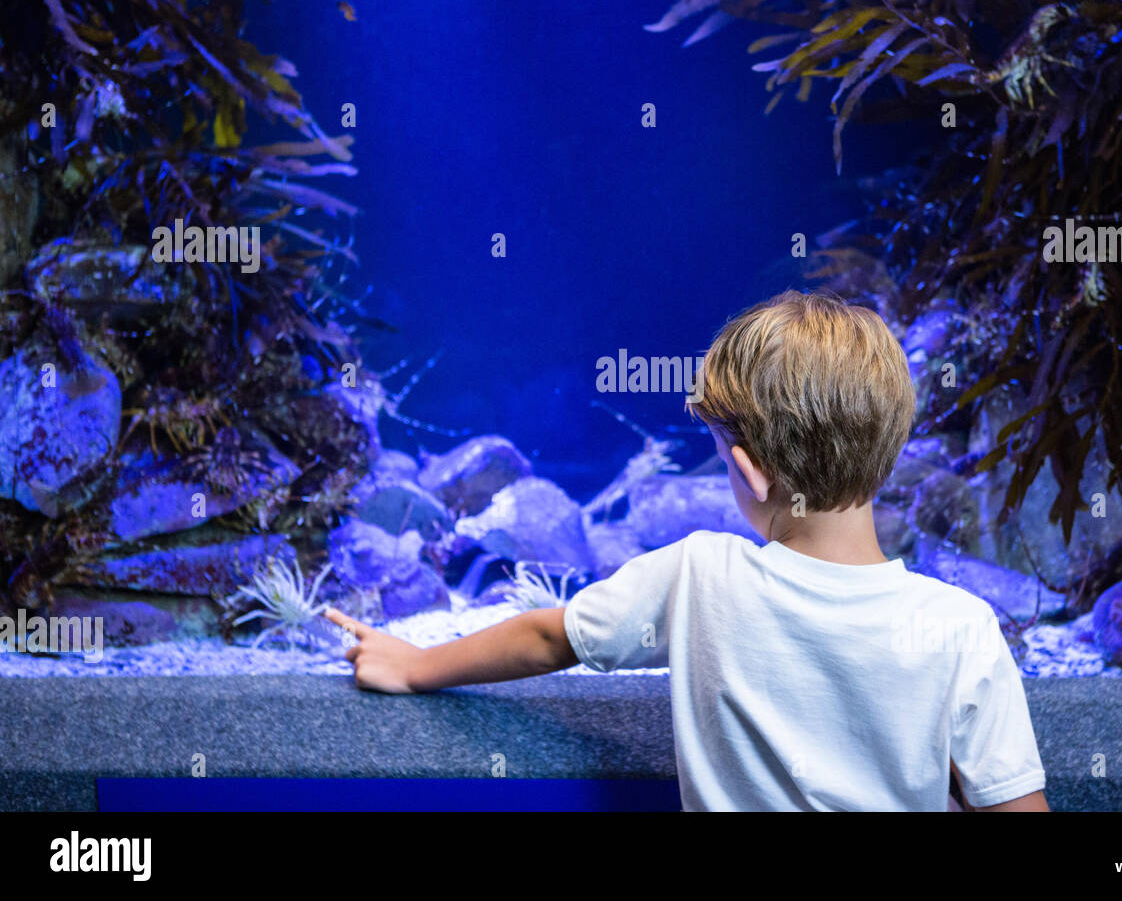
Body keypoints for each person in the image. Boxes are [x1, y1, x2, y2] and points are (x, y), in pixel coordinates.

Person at [326, 290, 1048, 812]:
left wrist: (415, 665)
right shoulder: (961, 625)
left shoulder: (702, 574)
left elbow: (551, 635)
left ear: (745, 469)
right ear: (889, 454)